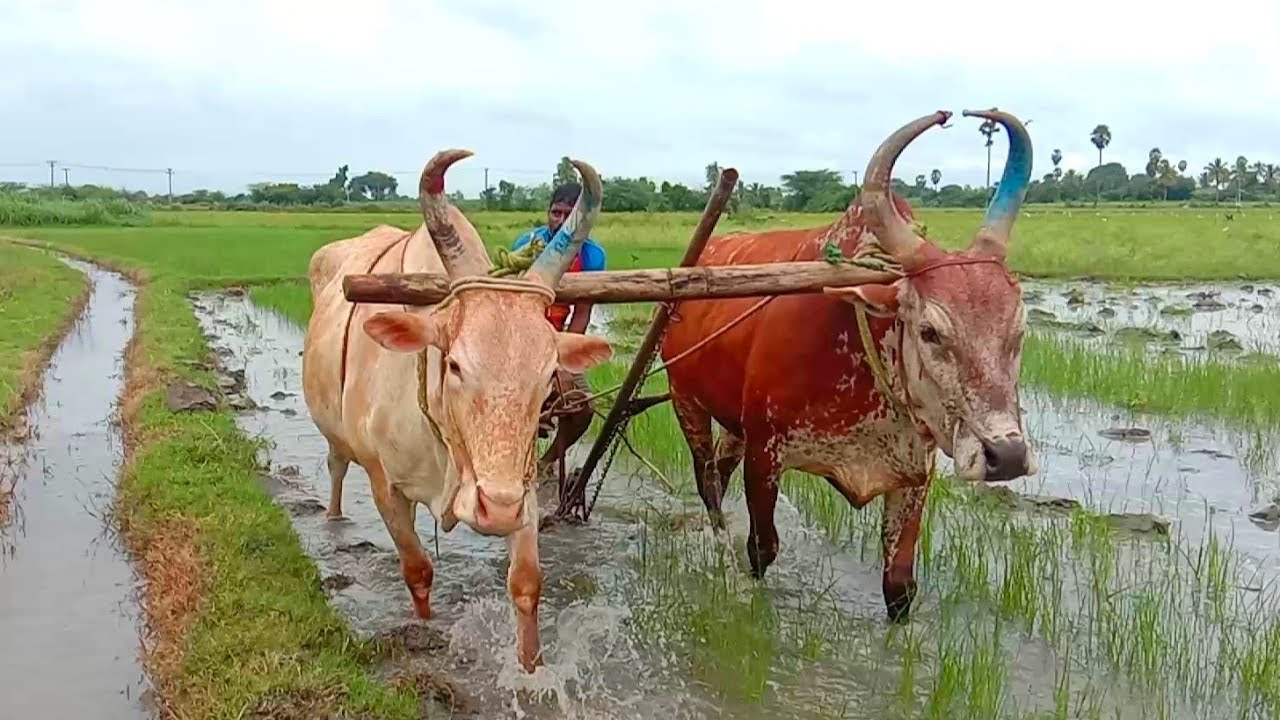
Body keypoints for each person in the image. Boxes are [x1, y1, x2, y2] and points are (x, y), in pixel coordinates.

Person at [512, 182, 606, 475]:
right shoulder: (526, 247)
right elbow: (514, 309)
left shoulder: (592, 255)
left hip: (560, 338)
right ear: (548, 214)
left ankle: (545, 463)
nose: (561, 221)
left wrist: (561, 360)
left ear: (582, 219)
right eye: (556, 213)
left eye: (569, 215)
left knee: (582, 408)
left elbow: (582, 313)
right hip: (522, 337)